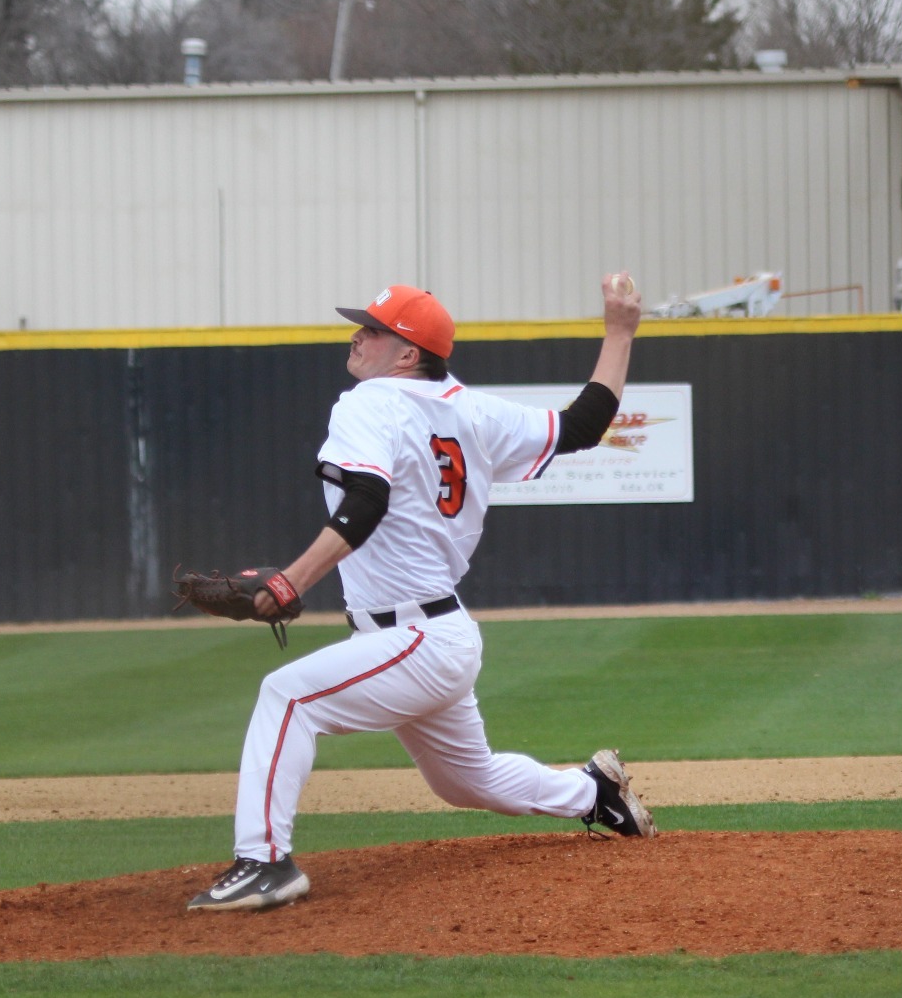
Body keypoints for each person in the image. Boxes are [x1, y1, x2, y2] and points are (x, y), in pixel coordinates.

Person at [188, 273, 657, 912]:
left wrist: (291, 581)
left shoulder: (369, 402)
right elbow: (583, 424)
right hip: (435, 635)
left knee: (288, 696)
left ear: (408, 355)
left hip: (414, 637)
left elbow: (366, 500)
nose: (357, 337)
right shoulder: (475, 409)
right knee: (469, 780)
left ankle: (264, 863)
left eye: (373, 330)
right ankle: (592, 792)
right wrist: (619, 332)